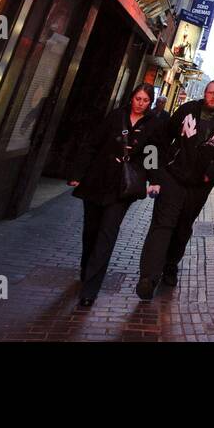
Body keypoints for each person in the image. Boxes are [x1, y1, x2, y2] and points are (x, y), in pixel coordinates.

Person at [136, 79, 214, 300]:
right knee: (163, 223)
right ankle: (148, 277)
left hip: (200, 185)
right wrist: (157, 171)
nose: (213, 97)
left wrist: (211, 171)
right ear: (205, 92)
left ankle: (171, 265)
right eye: (210, 92)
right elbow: (163, 138)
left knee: (183, 226)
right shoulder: (188, 110)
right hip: (173, 177)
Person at [68, 83, 167, 307]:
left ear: (150, 103)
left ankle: (90, 290)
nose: (140, 103)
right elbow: (92, 145)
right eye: (137, 99)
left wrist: (155, 181)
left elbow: (152, 154)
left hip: (123, 188)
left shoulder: (153, 124)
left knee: (107, 234)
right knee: (91, 232)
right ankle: (86, 271)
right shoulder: (115, 116)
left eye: (145, 100)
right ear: (131, 98)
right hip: (97, 181)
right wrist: (78, 173)